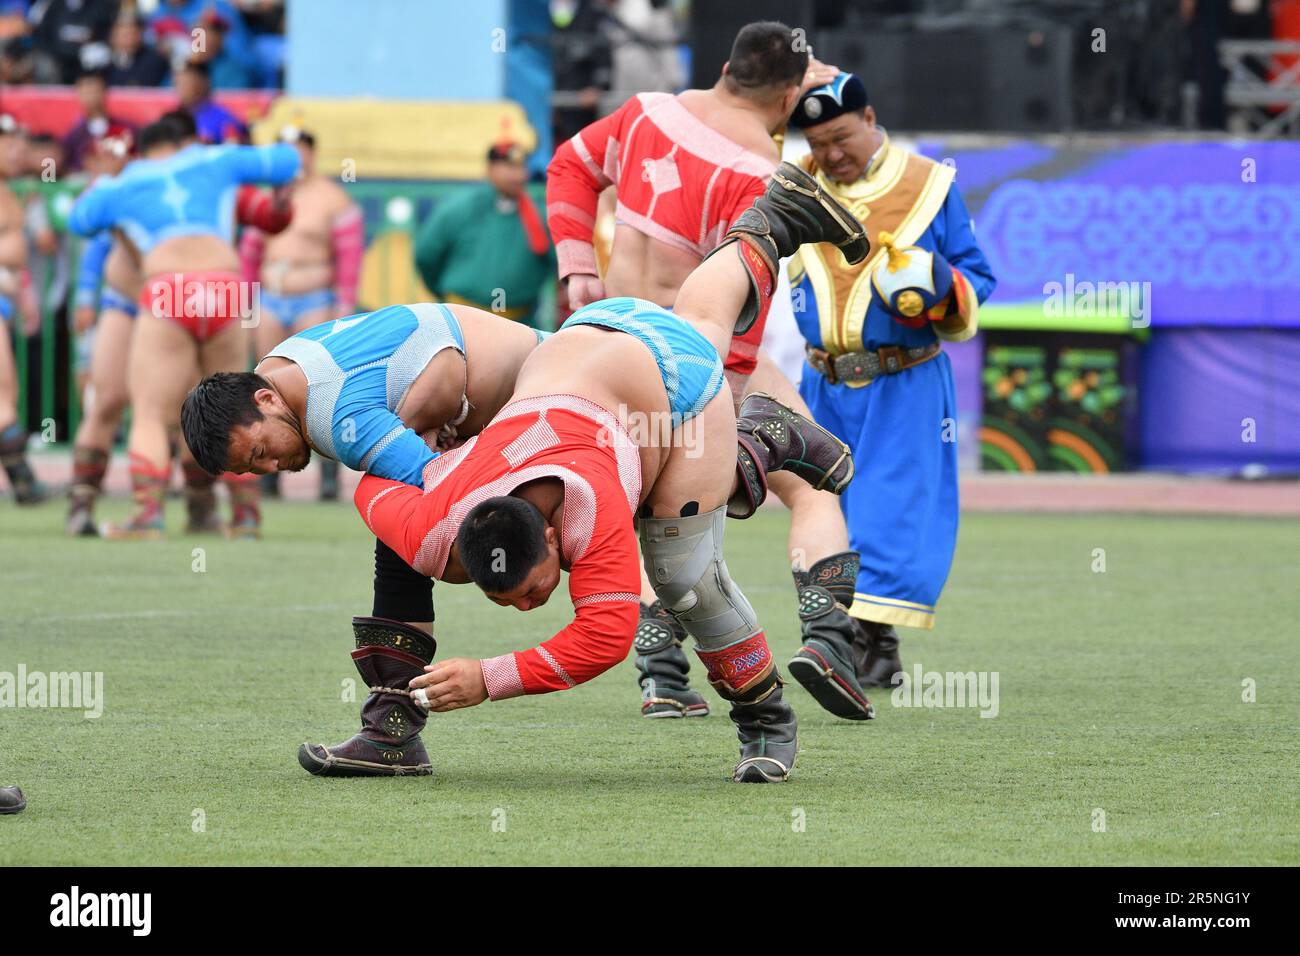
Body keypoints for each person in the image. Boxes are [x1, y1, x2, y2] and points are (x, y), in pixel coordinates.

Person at [337, 161, 863, 782]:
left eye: (532, 590)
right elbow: (374, 484)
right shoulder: (436, 518)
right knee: (703, 318)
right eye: (507, 600)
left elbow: (606, 639)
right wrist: (431, 458)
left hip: (674, 391)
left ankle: (765, 719)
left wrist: (488, 677)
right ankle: (769, 220)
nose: (528, 609)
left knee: (684, 577)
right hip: (585, 338)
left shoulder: (592, 509)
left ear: (555, 538)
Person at [546, 20, 877, 720]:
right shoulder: (761, 173)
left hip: (606, 348)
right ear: (792, 93)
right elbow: (740, 296)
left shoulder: (645, 113)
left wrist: (576, 265)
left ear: (728, 66)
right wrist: (720, 411)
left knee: (637, 509)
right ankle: (827, 640)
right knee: (813, 482)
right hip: (693, 361)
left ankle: (662, 677)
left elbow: (569, 166)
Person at [785, 73, 996, 686]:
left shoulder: (929, 184)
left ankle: (866, 641)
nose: (832, 154)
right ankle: (847, 639)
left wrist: (939, 290)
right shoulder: (796, 185)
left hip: (903, 378)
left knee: (888, 508)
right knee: (827, 505)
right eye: (819, 142)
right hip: (820, 377)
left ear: (871, 118)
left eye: (842, 137)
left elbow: (977, 276)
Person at [67, 111, 299, 538]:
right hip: (228, 288)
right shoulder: (216, 162)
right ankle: (246, 517)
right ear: (186, 142)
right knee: (236, 404)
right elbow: (286, 162)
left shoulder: (127, 180)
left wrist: (104, 180)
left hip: (168, 290)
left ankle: (148, 514)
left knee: (152, 413)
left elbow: (78, 221)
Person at [238, 125, 362, 499]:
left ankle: (327, 475)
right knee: (264, 382)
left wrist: (343, 303)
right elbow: (250, 253)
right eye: (285, 149)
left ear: (311, 152)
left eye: (299, 149)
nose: (293, 156)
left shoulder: (332, 199)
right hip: (271, 297)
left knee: (319, 381)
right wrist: (247, 302)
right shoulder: (268, 197)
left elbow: (349, 257)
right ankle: (268, 469)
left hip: (313, 297)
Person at [414, 141, 556, 330]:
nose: (516, 175)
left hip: (517, 324)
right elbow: (426, 255)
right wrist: (443, 293)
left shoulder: (538, 216)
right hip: (460, 322)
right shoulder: (460, 209)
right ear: (490, 169)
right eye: (508, 167)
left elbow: (557, 263)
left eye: (520, 167)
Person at [177, 61, 248, 144]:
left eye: (186, 83)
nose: (182, 89)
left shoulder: (224, 119)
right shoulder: (173, 118)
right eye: (178, 83)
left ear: (204, 82)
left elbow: (233, 147)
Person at [105, 11, 170, 88]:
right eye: (124, 35)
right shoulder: (105, 62)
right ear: (113, 37)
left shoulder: (155, 61)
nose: (128, 41)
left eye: (132, 34)